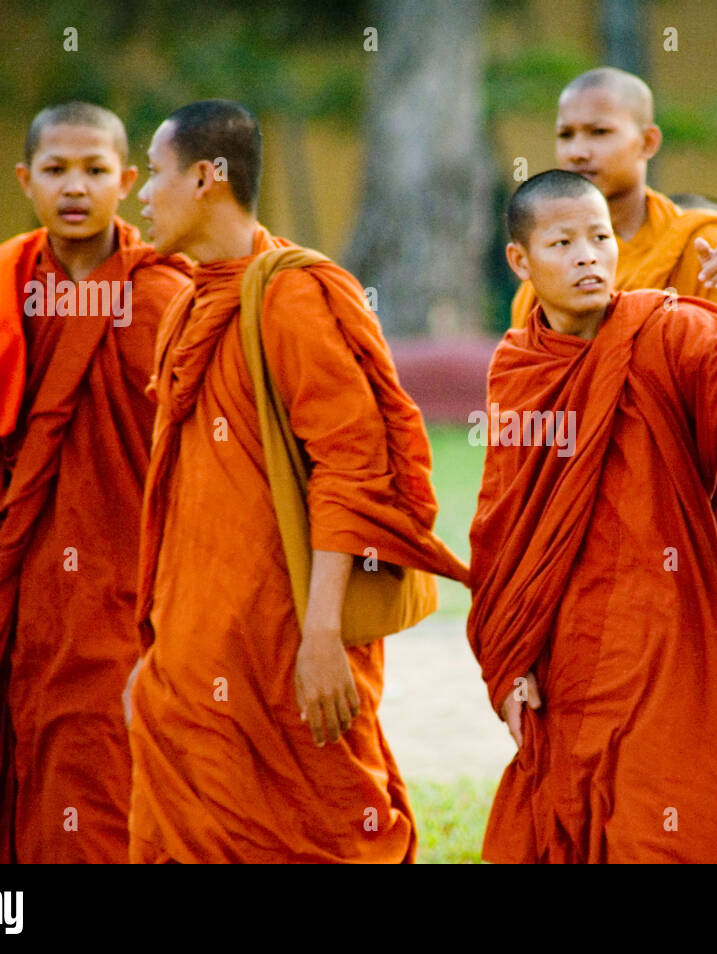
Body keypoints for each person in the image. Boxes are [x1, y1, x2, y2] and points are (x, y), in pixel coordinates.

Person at [126, 100, 468, 863]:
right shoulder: (189, 302)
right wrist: (159, 648)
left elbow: (353, 468)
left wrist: (320, 640)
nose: (141, 195)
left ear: (208, 177)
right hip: (195, 648)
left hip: (284, 638)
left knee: (322, 826)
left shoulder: (292, 296)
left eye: (155, 173)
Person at [468, 170, 717, 863]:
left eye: (600, 237)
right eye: (563, 242)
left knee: (671, 821)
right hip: (565, 649)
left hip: (668, 634)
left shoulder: (667, 332)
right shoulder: (518, 367)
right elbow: (500, 525)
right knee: (566, 823)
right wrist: (510, 659)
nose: (588, 256)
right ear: (521, 261)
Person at [0, 102, 190, 863]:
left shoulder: (164, 296)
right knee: (23, 765)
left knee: (107, 763)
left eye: (96, 170)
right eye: (56, 170)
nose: (76, 187)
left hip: (135, 589)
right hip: (27, 590)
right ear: (25, 179)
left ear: (126, 180)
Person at [508, 66, 717, 327]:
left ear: (648, 142)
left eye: (599, 132)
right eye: (566, 135)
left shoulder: (706, 245)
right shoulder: (546, 266)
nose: (577, 152)